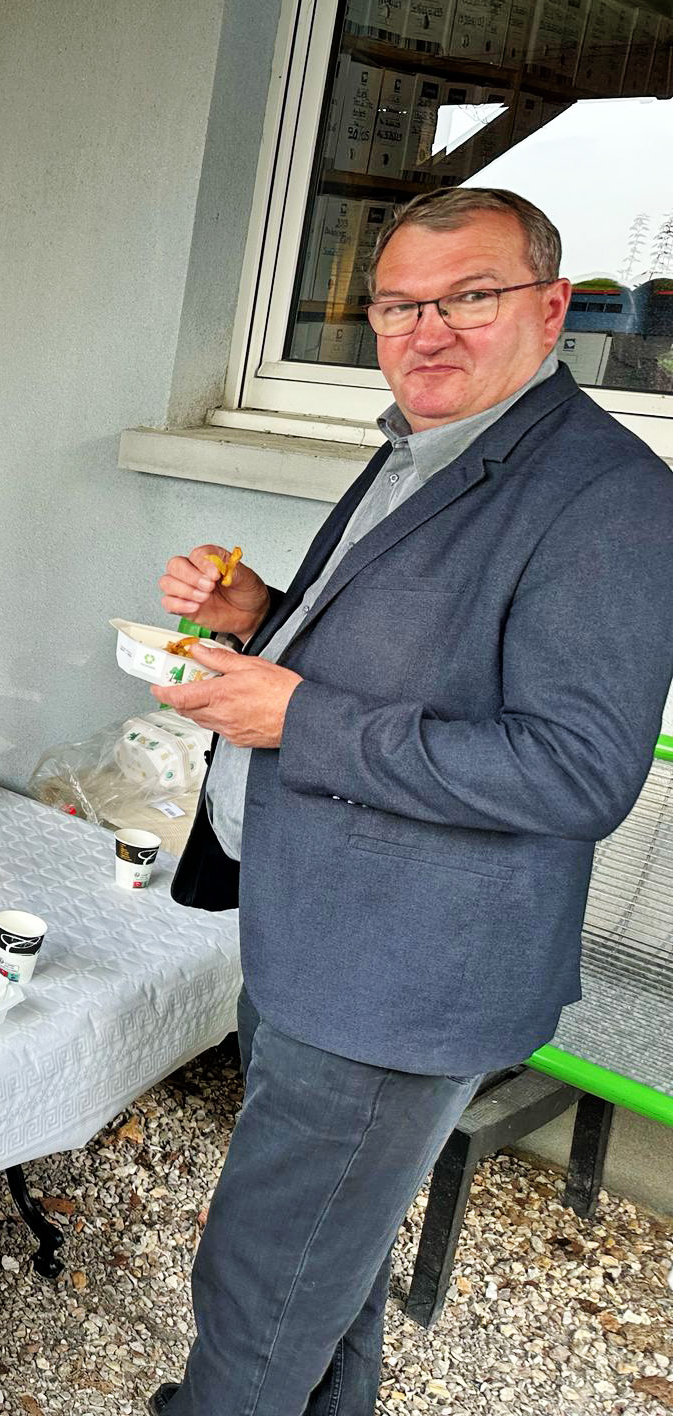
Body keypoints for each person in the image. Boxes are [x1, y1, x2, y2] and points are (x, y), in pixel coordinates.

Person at [145, 187, 673, 1416]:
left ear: (549, 310)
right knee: (325, 1264)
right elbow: (392, 657)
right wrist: (257, 616)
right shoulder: (422, 444)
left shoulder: (611, 502)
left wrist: (300, 719)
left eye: (467, 298)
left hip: (396, 977)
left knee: (259, 1287)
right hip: (312, 928)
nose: (425, 329)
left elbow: (575, 770)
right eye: (397, 304)